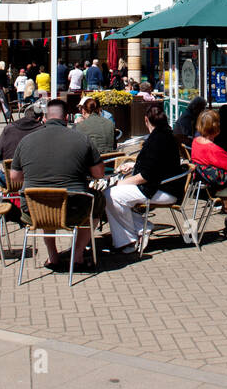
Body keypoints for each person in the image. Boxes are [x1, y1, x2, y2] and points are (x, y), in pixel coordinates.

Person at [11, 98, 103, 270]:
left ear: (45, 118)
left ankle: (53, 256)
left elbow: (14, 177)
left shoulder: (26, 141)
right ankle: (77, 255)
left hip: (34, 211)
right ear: (67, 118)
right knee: (97, 200)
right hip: (73, 210)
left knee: (46, 199)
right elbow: (98, 174)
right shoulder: (82, 139)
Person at [104, 105, 185, 254]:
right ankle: (137, 230)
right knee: (111, 194)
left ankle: (132, 236)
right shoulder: (165, 135)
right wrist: (135, 164)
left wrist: (118, 182)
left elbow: (145, 177)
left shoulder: (156, 140)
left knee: (111, 195)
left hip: (162, 189)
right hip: (165, 186)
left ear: (146, 120)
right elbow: (158, 164)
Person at [190, 109, 227, 179]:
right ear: (216, 127)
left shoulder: (195, 141)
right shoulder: (213, 150)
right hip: (218, 182)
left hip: (201, 177)